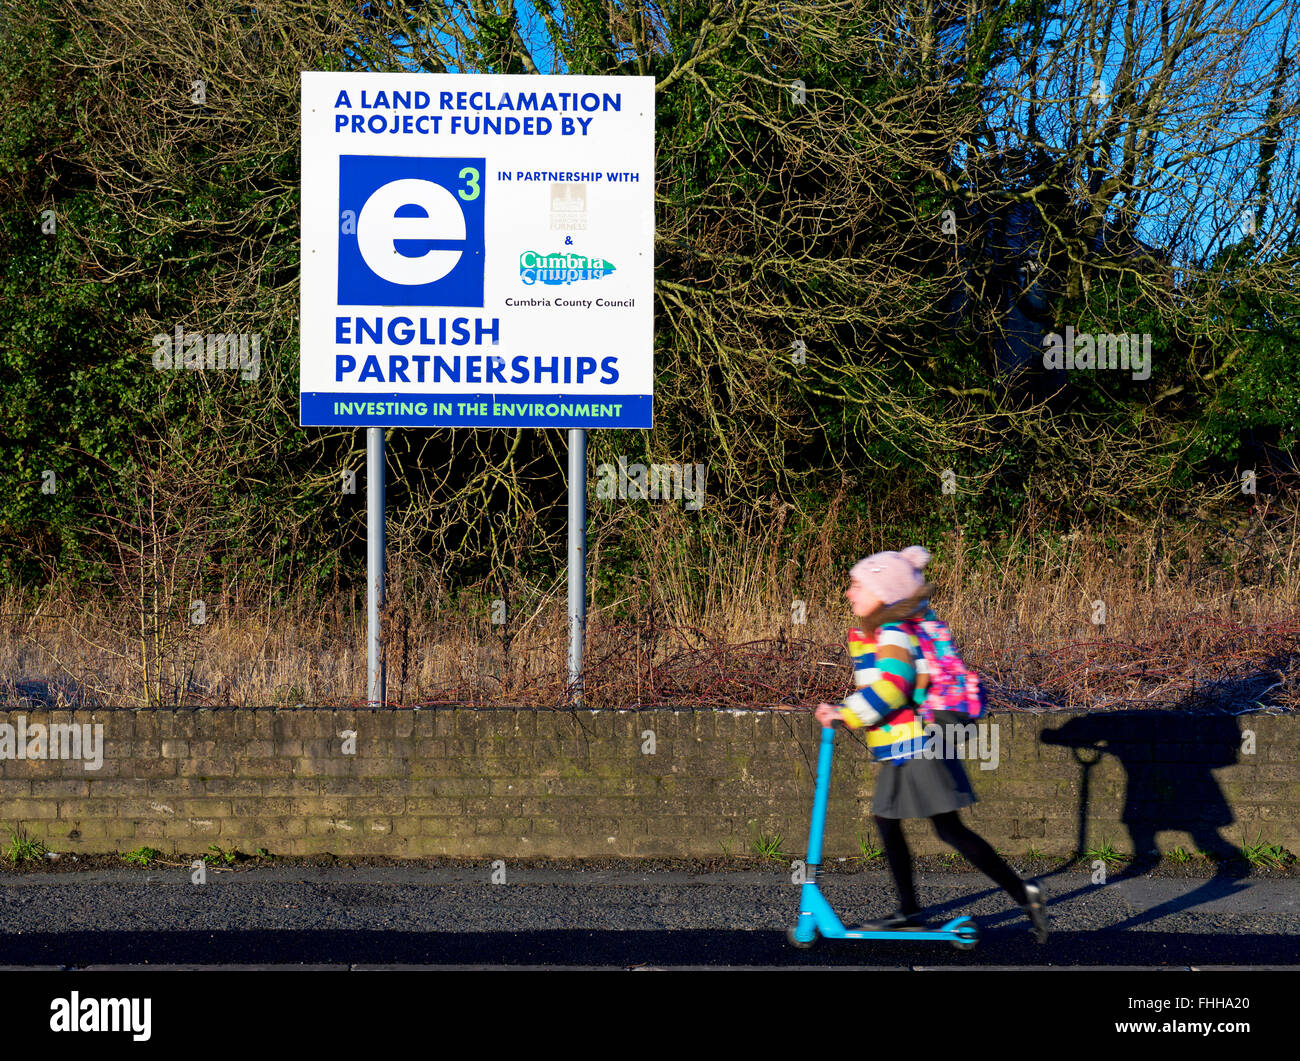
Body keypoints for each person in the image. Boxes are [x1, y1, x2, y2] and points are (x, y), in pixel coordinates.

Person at [812, 545, 1049, 942]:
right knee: (893, 822)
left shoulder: (892, 632)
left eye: (857, 585)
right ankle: (911, 911)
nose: (849, 593)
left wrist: (844, 713)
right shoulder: (890, 629)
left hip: (919, 745)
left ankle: (1021, 893)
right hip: (906, 746)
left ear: (884, 593)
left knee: (948, 830)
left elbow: (892, 688)